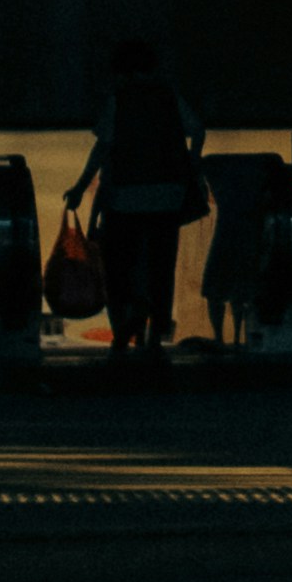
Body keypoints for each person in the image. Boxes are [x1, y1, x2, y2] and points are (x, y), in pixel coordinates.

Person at [65, 36, 206, 369]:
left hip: (126, 197)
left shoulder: (120, 100)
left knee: (120, 269)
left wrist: (79, 186)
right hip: (168, 196)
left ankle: (122, 334)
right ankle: (154, 339)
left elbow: (102, 149)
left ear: (122, 71)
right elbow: (197, 129)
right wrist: (192, 164)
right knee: (160, 267)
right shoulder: (170, 97)